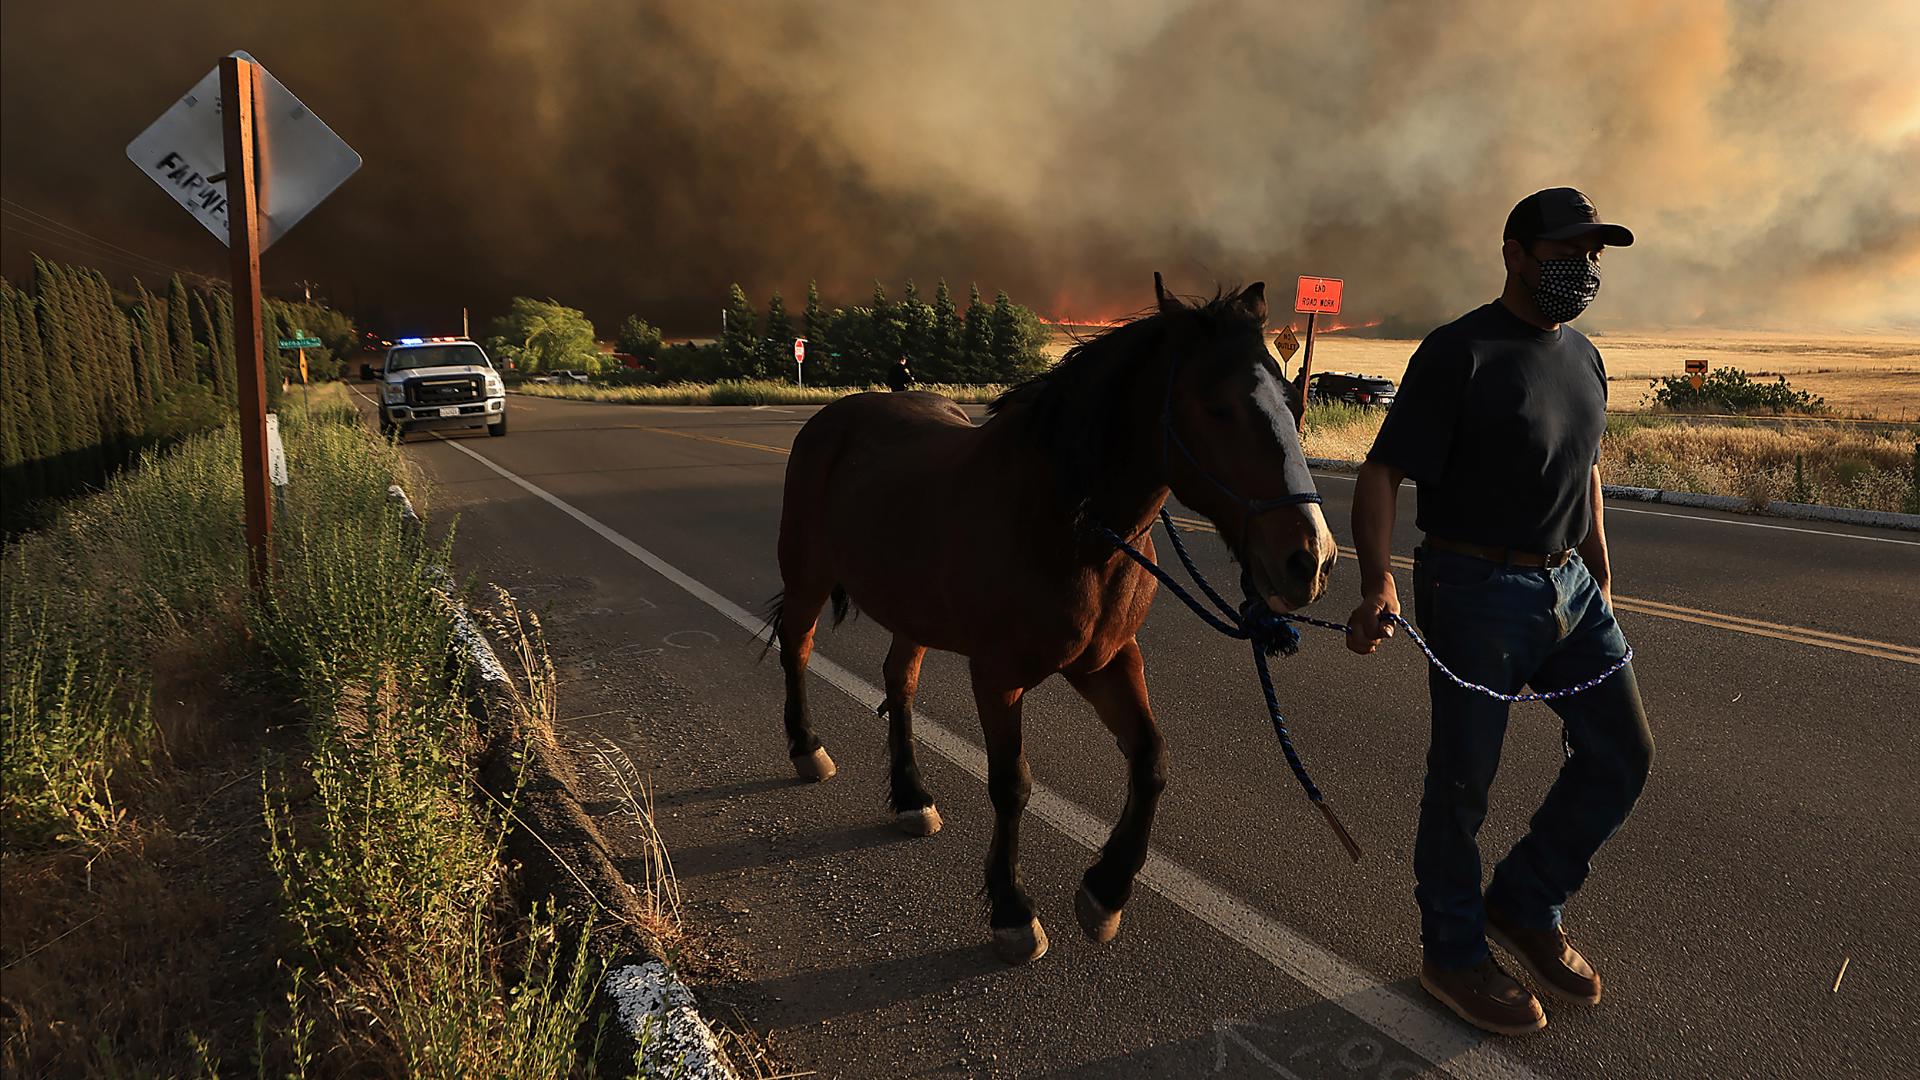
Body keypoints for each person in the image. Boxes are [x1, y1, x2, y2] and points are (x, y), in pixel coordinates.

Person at [1346, 187, 1655, 1036]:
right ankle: (1450, 952)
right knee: (1462, 783)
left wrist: (1596, 561)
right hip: (1474, 590)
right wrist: (1378, 582)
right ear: (1515, 253)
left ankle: (1523, 902)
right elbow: (1381, 474)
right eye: (1566, 254)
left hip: (1570, 590)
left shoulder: (1585, 357)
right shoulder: (1460, 351)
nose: (1584, 270)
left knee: (1621, 753)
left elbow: (1584, 462)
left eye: (1594, 255)